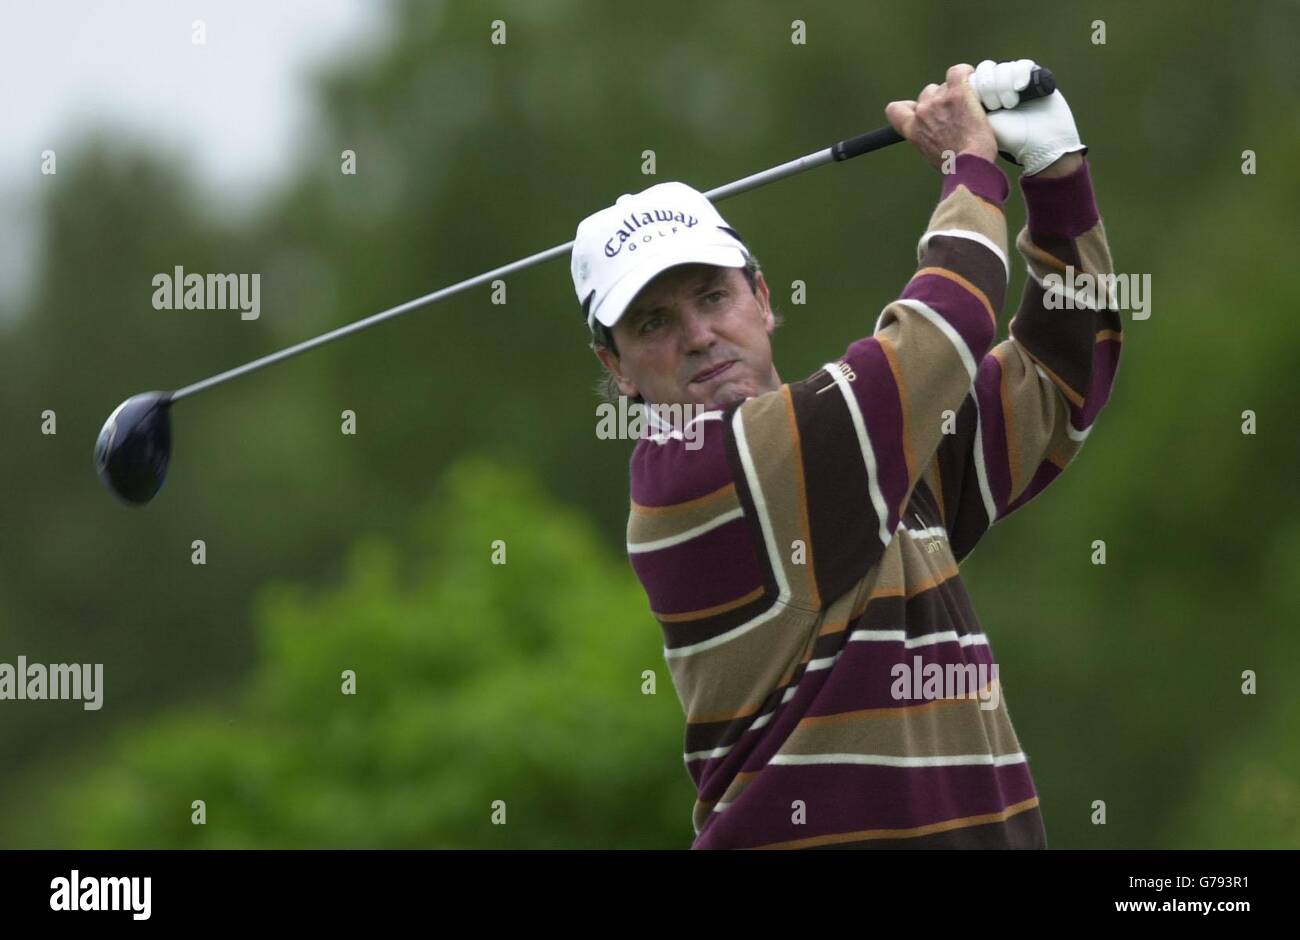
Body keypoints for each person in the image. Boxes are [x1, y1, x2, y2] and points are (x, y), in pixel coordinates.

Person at [569, 59, 1120, 848]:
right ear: (615, 367)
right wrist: (969, 166)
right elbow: (942, 332)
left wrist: (1057, 176)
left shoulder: (864, 453)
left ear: (762, 299)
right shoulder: (694, 473)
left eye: (713, 297)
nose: (696, 336)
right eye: (652, 323)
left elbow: (1062, 380)